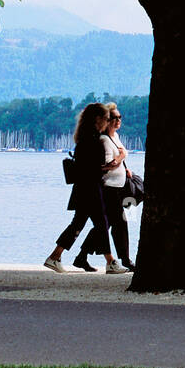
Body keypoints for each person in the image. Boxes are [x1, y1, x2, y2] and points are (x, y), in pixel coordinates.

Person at [44, 103, 126, 274]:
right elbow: (90, 167)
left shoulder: (85, 137)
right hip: (91, 188)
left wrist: (104, 167)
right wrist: (107, 167)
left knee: (79, 224)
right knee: (100, 224)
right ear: (98, 119)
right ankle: (110, 262)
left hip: (84, 188)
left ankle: (55, 256)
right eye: (106, 119)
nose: (108, 122)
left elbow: (86, 165)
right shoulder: (92, 139)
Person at [83, 104, 134, 272]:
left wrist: (124, 167)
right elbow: (106, 165)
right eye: (114, 118)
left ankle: (82, 255)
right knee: (118, 223)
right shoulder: (104, 139)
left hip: (120, 187)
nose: (117, 120)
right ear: (107, 121)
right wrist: (122, 156)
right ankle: (124, 260)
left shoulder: (116, 136)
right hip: (109, 188)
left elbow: (117, 161)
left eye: (120, 117)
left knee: (108, 224)